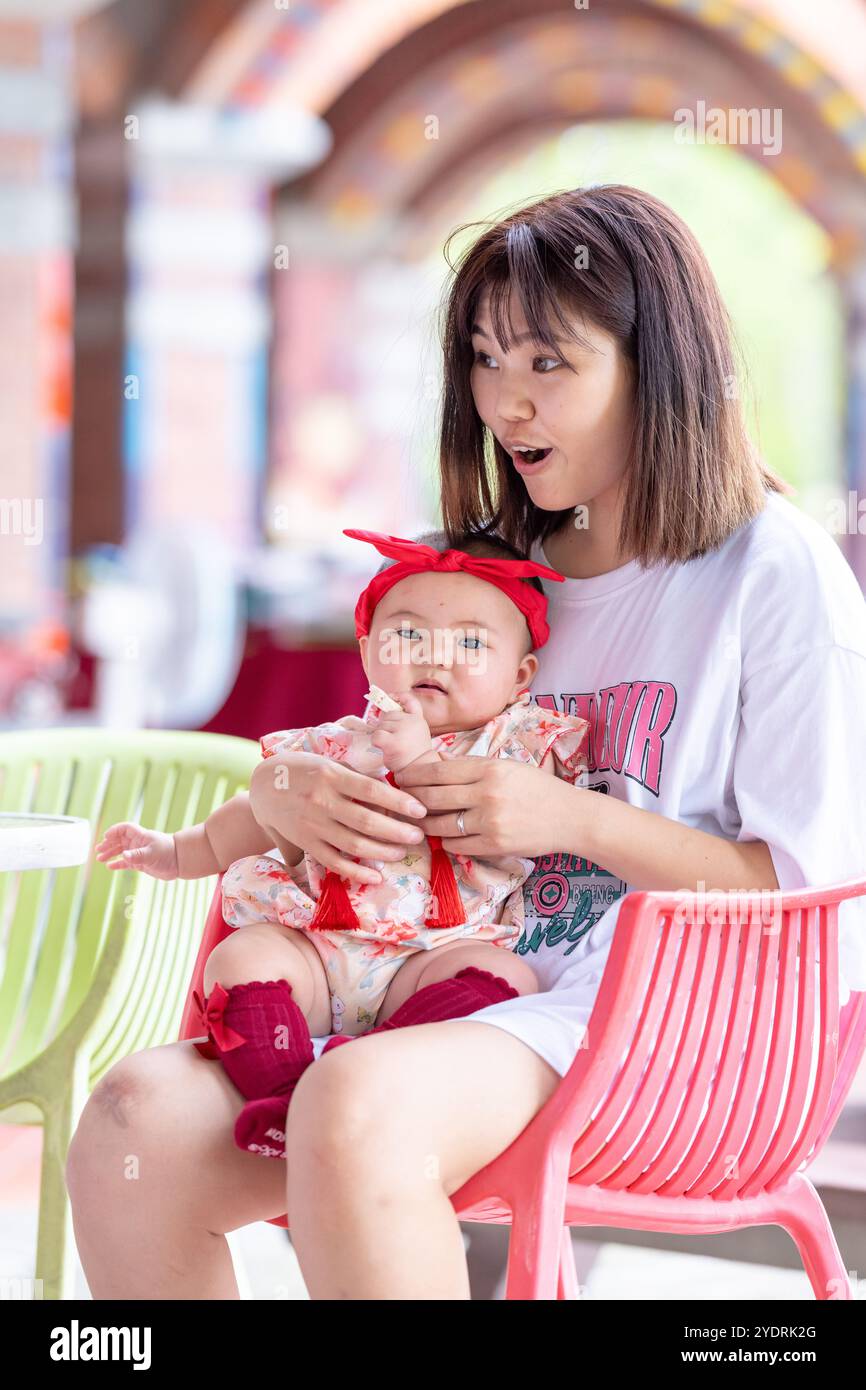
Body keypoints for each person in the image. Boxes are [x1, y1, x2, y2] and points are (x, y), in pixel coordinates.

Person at [66, 184, 866, 1300]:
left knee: (357, 1104)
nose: (504, 401)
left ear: (659, 368)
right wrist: (296, 787)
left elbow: (802, 888)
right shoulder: (492, 579)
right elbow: (373, 746)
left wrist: (569, 819)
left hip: (680, 1032)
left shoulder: (771, 575)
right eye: (485, 359)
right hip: (427, 988)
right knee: (129, 1121)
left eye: (547, 363)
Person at [93, 528, 590, 1160]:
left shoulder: (517, 751)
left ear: (520, 678)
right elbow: (255, 817)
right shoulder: (330, 748)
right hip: (316, 948)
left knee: (505, 977)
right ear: (365, 651)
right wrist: (175, 851)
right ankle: (280, 1095)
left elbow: (470, 820)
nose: (435, 657)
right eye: (407, 635)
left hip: (431, 955)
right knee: (241, 959)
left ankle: (366, 1068)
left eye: (470, 642)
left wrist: (414, 759)